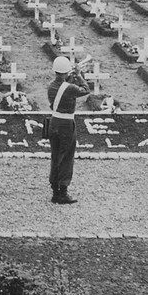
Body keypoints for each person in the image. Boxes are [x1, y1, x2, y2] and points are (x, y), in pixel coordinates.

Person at [46, 55, 91, 204]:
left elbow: (60, 96)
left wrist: (70, 78)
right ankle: (63, 193)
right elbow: (86, 90)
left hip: (53, 122)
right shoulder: (70, 87)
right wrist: (78, 75)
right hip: (66, 124)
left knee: (55, 155)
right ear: (66, 71)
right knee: (66, 157)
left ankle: (54, 191)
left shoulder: (51, 86)